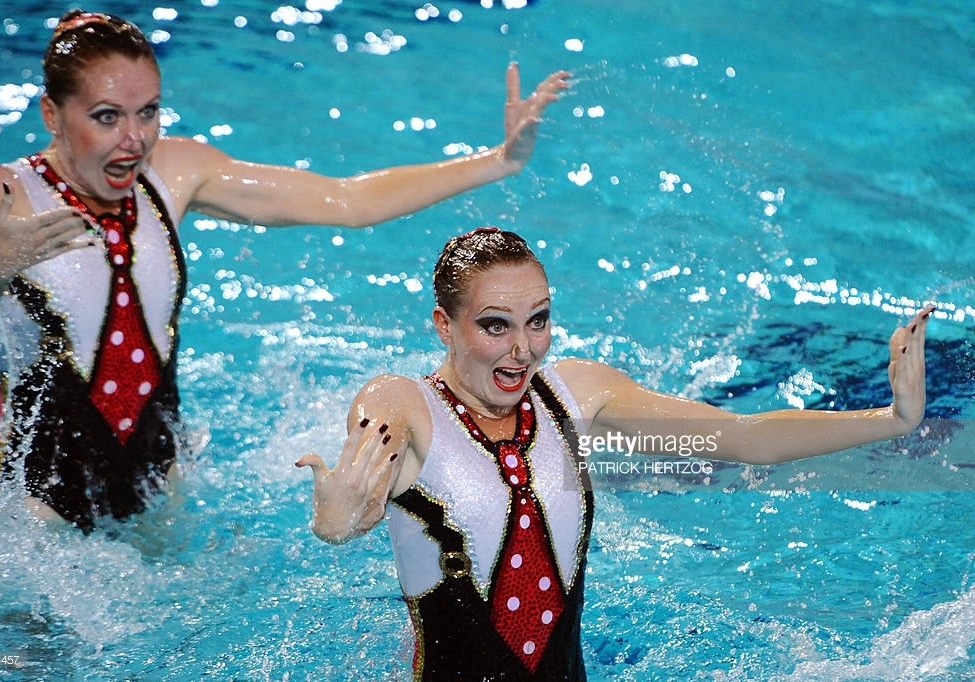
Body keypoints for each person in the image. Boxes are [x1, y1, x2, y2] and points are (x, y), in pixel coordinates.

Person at [0, 10, 571, 531]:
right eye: (107, 116)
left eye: (148, 112)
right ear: (53, 115)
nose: (134, 139)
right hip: (32, 504)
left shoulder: (174, 173)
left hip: (157, 477)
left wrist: (497, 162)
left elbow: (346, 201)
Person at [297, 228, 933, 680]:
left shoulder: (576, 394)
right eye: (496, 325)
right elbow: (346, 512)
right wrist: (335, 515)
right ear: (444, 324)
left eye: (538, 320)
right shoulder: (405, 405)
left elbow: (746, 439)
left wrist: (892, 418)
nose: (522, 349)